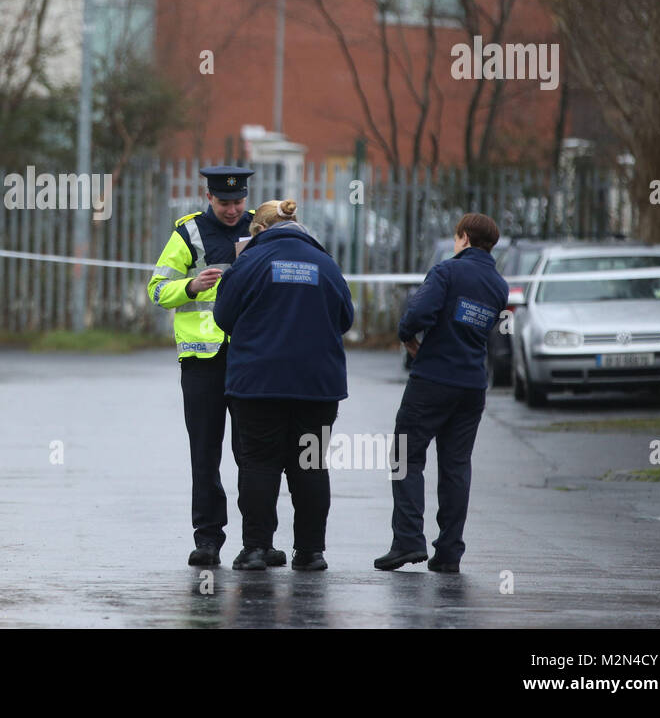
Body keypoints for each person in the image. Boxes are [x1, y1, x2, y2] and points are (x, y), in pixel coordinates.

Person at [148, 166, 282, 568]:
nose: (231, 209)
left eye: (238, 201)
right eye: (224, 202)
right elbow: (157, 289)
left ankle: (258, 542)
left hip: (247, 359)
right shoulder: (187, 234)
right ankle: (207, 539)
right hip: (202, 363)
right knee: (205, 454)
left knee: (252, 455)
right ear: (208, 197)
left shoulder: (261, 229)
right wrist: (189, 286)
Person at [213, 199, 355, 572]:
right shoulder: (325, 263)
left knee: (259, 463)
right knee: (310, 465)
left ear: (258, 231)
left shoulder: (250, 262)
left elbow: (223, 316)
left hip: (259, 384)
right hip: (317, 385)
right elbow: (345, 317)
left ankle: (257, 549)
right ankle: (310, 553)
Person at [375, 213, 509, 574]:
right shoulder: (498, 285)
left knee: (405, 455)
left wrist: (407, 336)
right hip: (472, 386)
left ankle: (407, 540)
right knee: (455, 467)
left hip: (433, 379)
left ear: (463, 237)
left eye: (455, 237)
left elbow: (418, 312)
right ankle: (449, 551)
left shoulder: (447, 272)